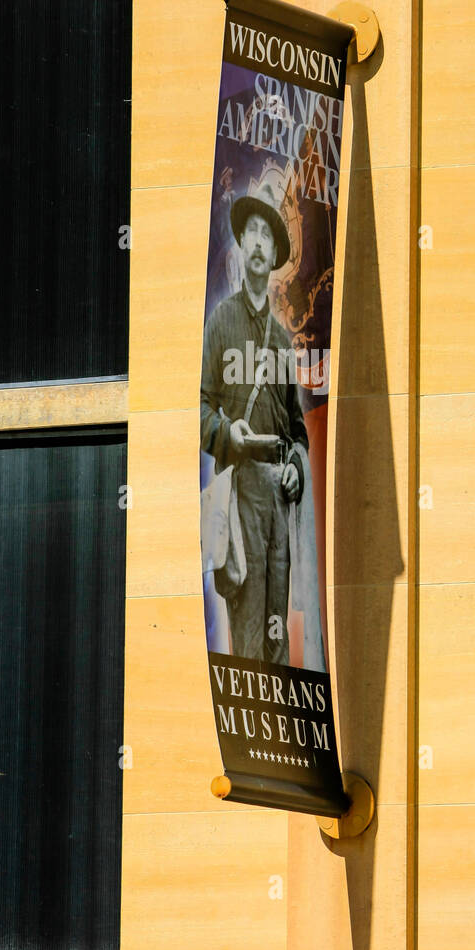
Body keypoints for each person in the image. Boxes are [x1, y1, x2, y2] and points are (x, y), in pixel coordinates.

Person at [200, 178, 308, 666]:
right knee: (245, 639)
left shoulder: (284, 345)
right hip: (240, 491)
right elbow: (198, 411)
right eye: (253, 231)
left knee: (275, 638)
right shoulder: (221, 322)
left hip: (276, 509)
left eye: (269, 233)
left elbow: (297, 433)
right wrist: (228, 434)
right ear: (241, 244)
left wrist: (295, 469)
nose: (261, 241)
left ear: (275, 254)